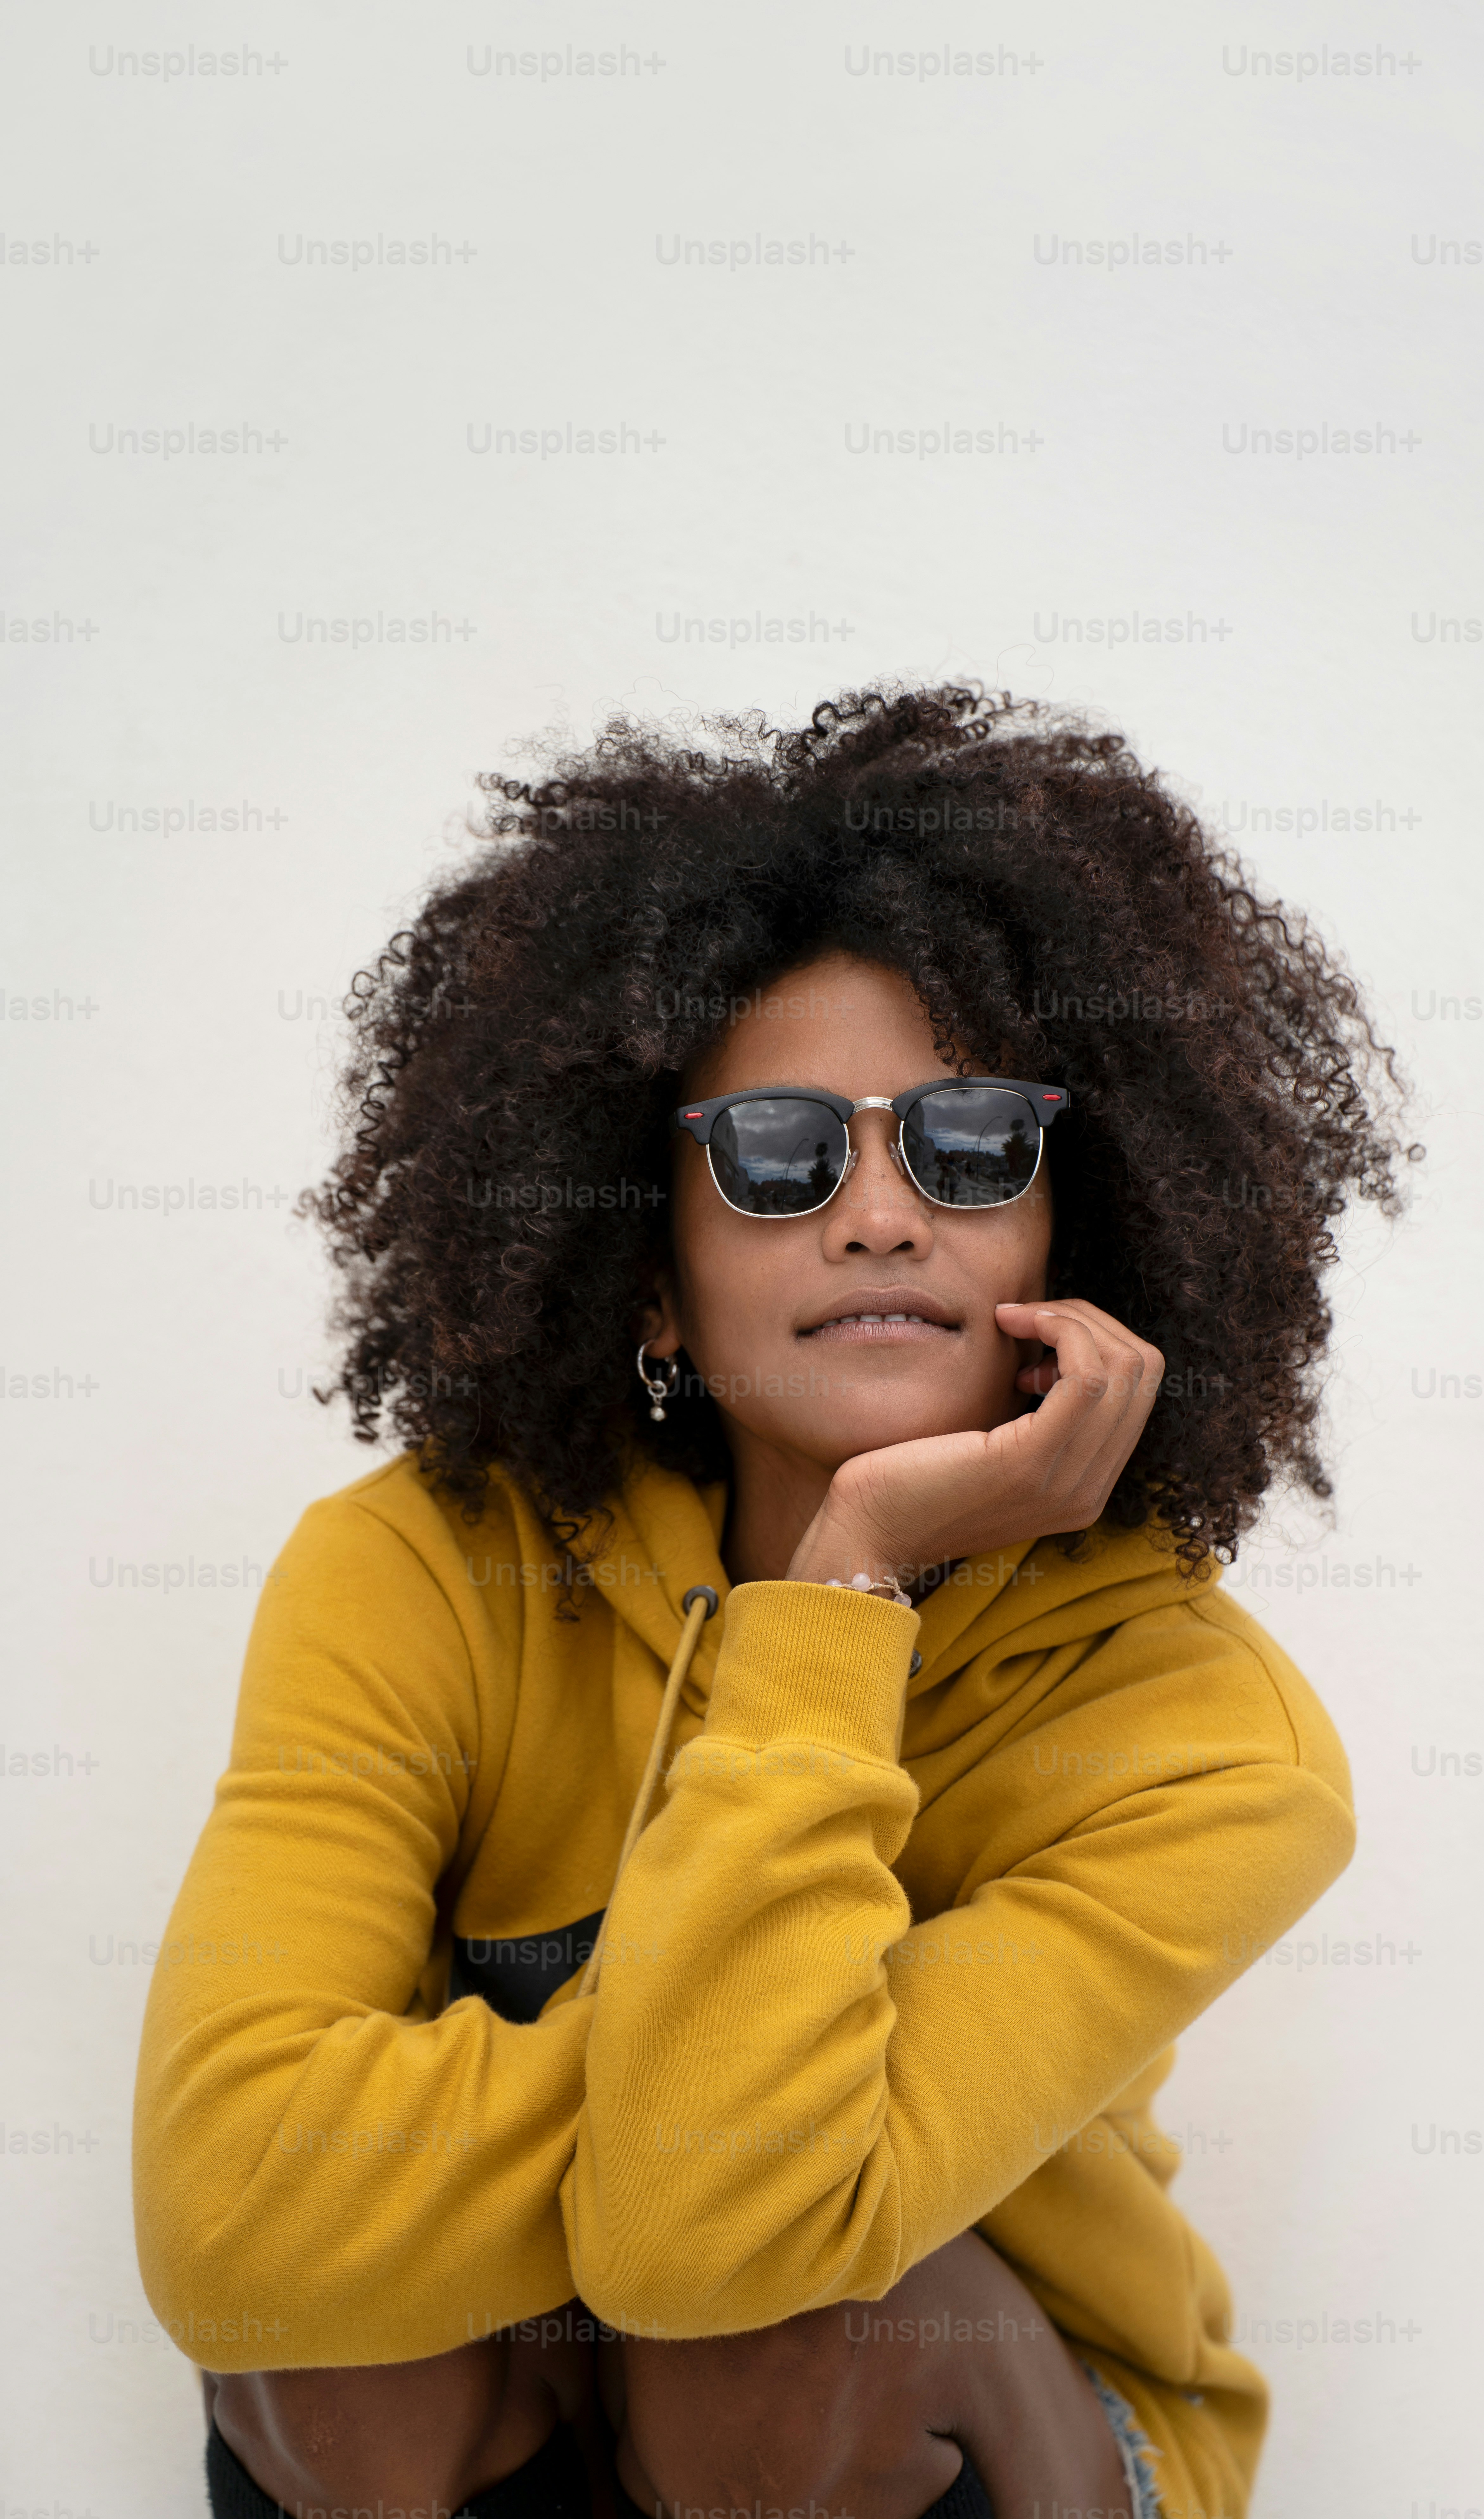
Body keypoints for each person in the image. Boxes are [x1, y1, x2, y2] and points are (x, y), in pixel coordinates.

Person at [133, 687, 1411, 2519]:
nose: (882, 1215)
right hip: (571, 2383)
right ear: (648, 1279)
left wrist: (851, 1579)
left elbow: (730, 2244)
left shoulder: (1200, 1738)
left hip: (991, 2424)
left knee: (783, 2319)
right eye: (778, 1153)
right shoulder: (421, 1574)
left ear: (1081, 1245)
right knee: (328, 2350)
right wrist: (723, 2094)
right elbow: (234, 2219)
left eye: (971, 1149)